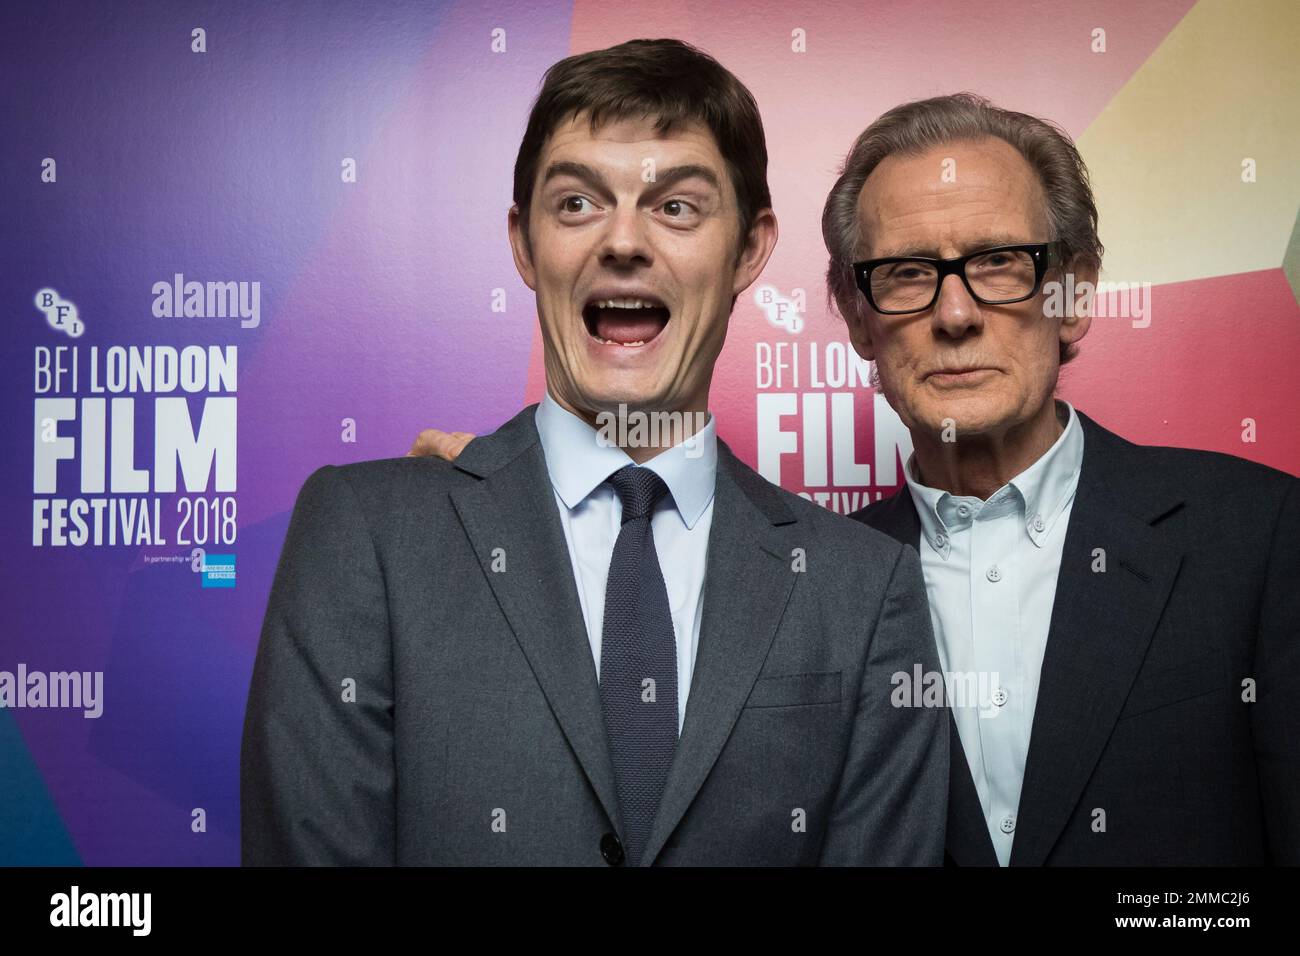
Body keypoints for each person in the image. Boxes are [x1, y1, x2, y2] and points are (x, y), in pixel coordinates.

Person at [243, 38, 947, 866]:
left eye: (677, 207)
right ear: (523, 243)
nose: (623, 241)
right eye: (576, 204)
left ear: (750, 251)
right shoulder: (368, 533)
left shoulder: (862, 590)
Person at [824, 94, 1298, 865]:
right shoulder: (811, 584)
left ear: (1073, 294)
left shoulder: (1263, 536)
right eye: (907, 273)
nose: (955, 315)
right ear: (857, 317)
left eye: (997, 263)